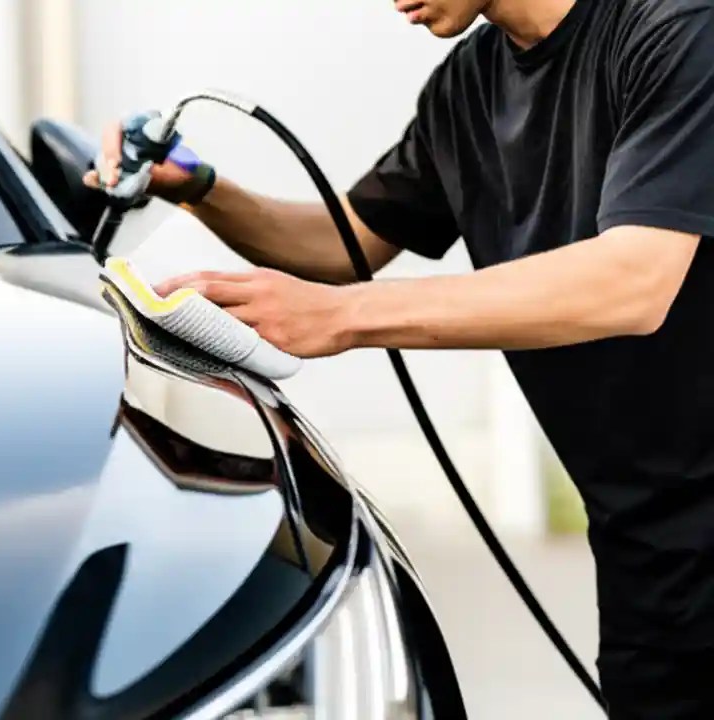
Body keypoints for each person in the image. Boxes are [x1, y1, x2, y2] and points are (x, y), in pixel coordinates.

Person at [84, 0, 714, 717]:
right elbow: (348, 242)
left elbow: (634, 281)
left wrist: (346, 319)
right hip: (647, 561)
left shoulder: (676, 28)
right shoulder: (468, 87)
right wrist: (202, 189)